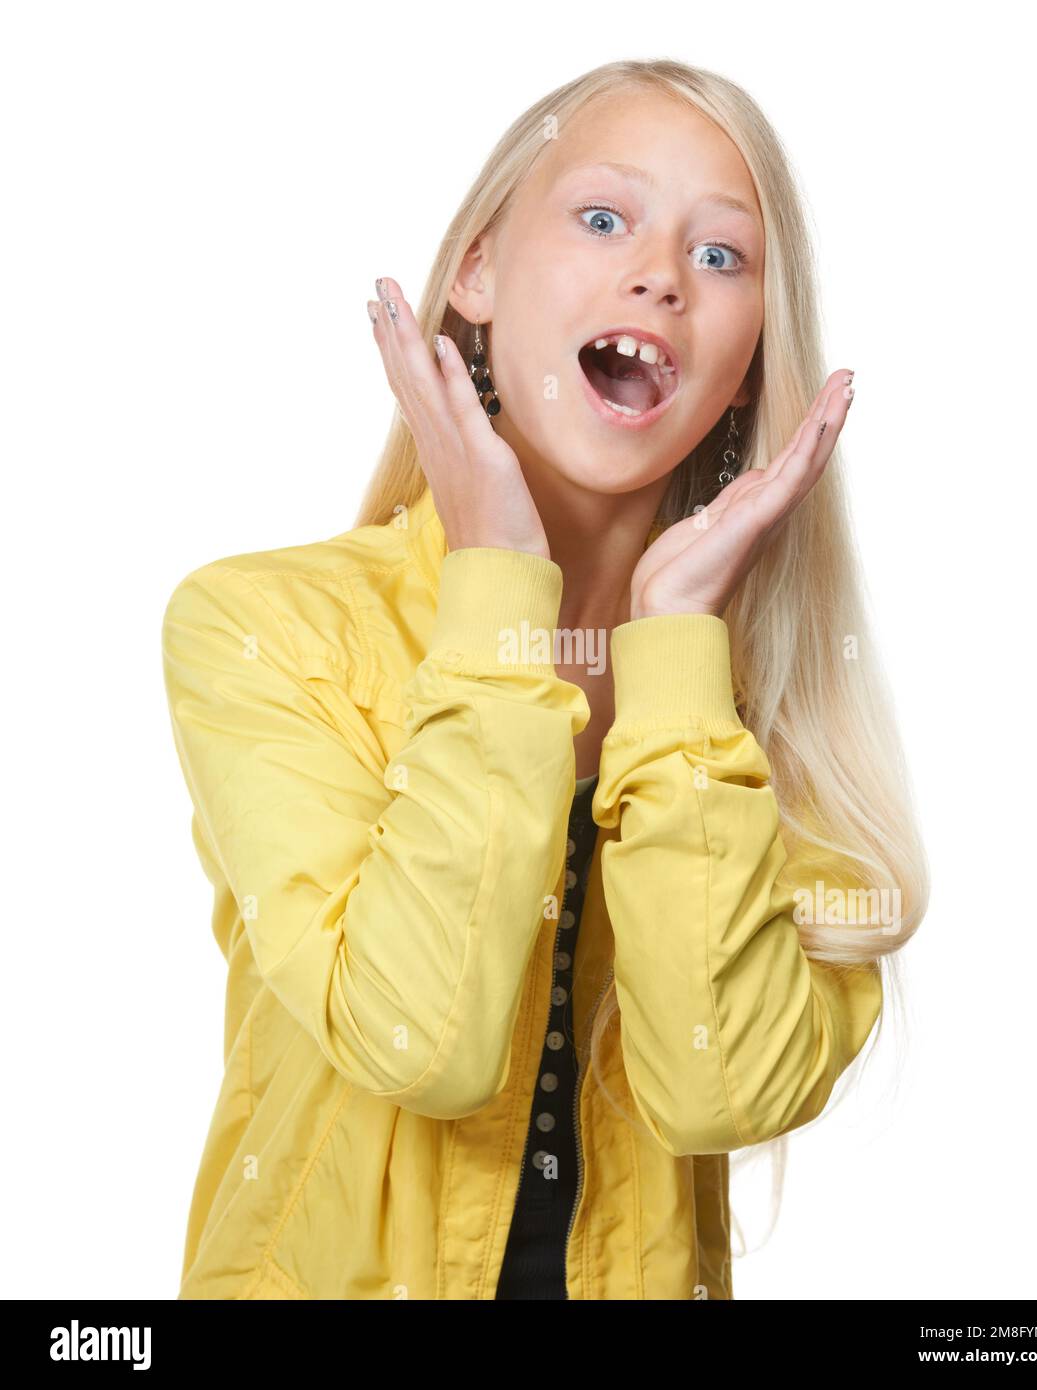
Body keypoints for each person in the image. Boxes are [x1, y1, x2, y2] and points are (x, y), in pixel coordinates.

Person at [161, 58, 928, 1301]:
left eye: (723, 256)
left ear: (748, 363)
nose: (661, 275)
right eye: (603, 217)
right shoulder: (262, 628)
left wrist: (677, 656)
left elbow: (720, 1088)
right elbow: (420, 1043)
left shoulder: (785, 735)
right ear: (474, 277)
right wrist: (500, 596)